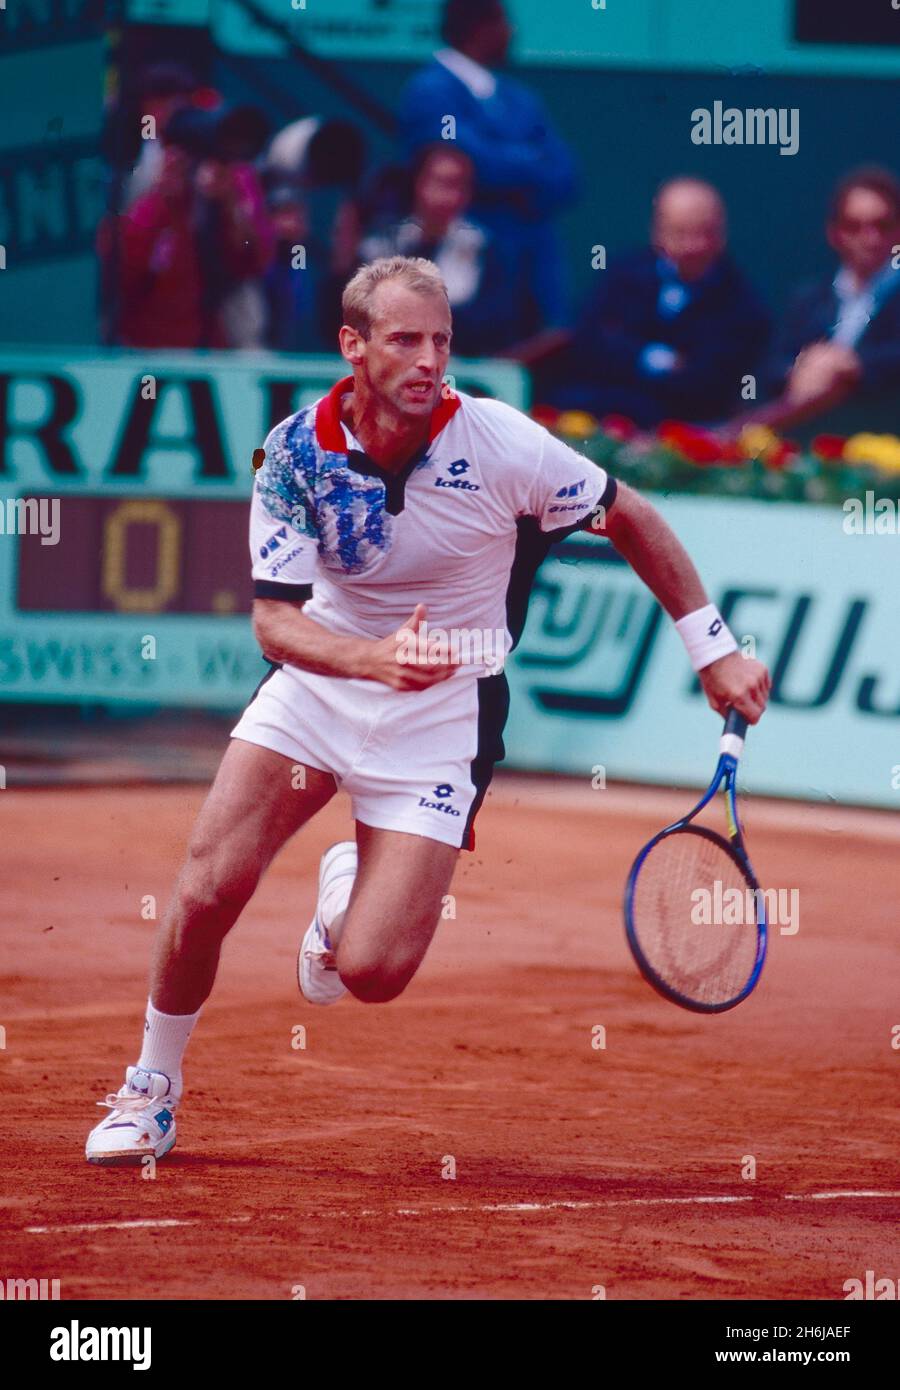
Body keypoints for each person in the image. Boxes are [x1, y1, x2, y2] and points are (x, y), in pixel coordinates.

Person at [84, 256, 770, 1165]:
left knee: (371, 973)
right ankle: (151, 1089)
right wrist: (371, 658)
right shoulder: (293, 452)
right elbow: (274, 624)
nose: (428, 360)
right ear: (353, 345)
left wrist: (710, 646)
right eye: (405, 339)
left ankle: (341, 906)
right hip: (322, 685)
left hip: (447, 711)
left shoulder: (501, 443)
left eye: (441, 341)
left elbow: (628, 513)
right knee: (210, 885)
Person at [398, 0, 576, 363]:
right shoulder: (428, 91)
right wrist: (528, 160)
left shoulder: (520, 98)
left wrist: (502, 161)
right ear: (479, 28)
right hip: (468, 281)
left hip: (531, 283)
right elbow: (475, 165)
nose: (512, 32)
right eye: (504, 21)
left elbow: (566, 176)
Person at [547, 178, 770, 426]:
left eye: (704, 232)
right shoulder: (622, 275)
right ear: (659, 231)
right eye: (681, 233)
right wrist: (654, 359)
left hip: (679, 430)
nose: (693, 246)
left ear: (721, 234)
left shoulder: (742, 305)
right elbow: (589, 342)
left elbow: (708, 382)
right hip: (597, 413)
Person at [749, 166, 900, 432]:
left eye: (881, 225)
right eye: (855, 226)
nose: (870, 238)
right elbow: (771, 367)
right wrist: (802, 366)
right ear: (835, 233)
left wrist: (850, 365)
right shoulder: (809, 299)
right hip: (805, 448)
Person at [358, 145, 543, 357]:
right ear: (417, 184)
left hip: (459, 369)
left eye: (458, 185)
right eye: (439, 183)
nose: (448, 195)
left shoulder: (486, 248)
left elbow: (494, 323)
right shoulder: (383, 242)